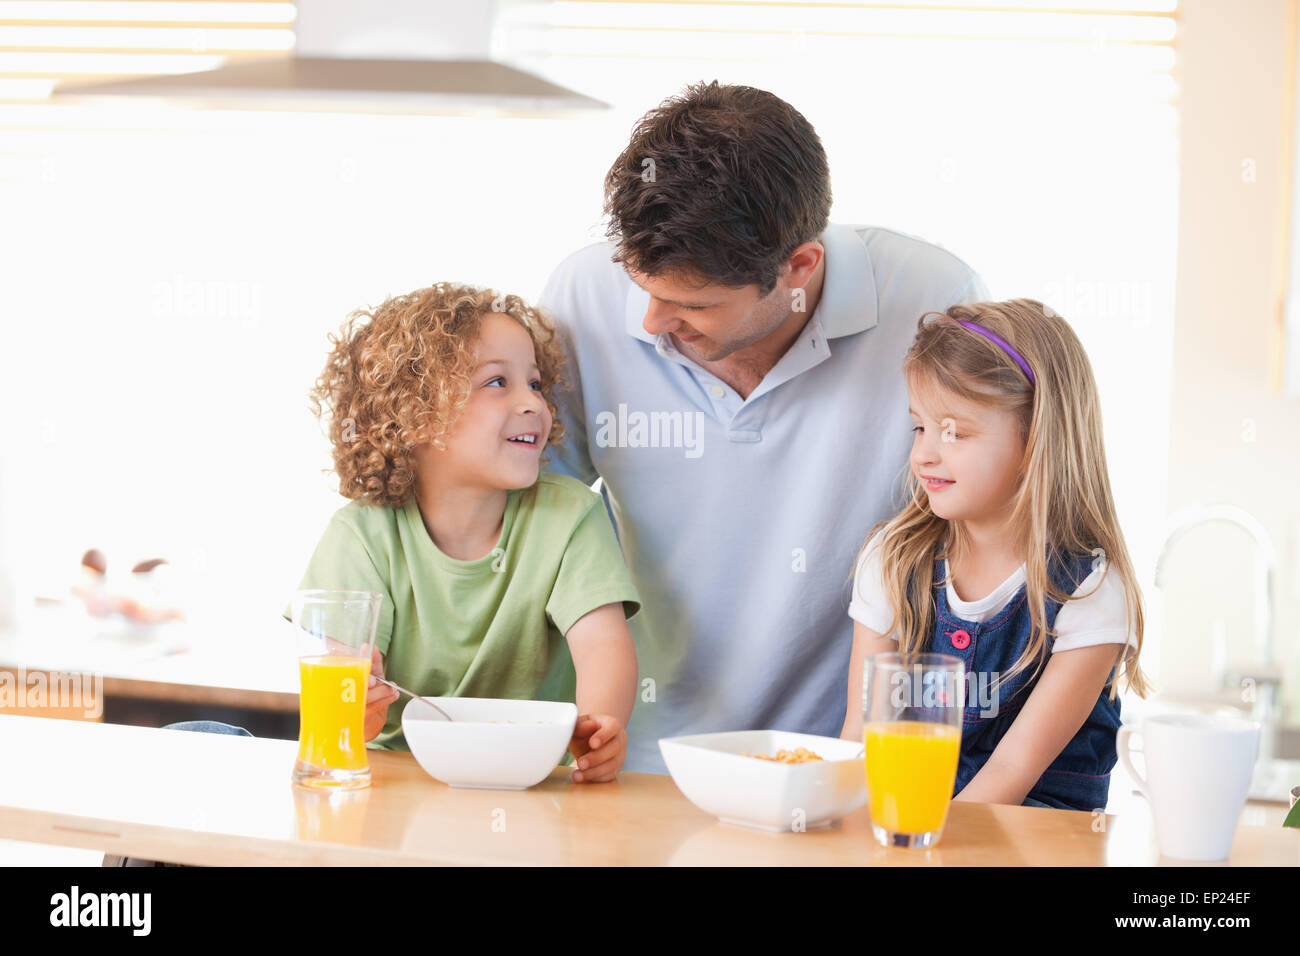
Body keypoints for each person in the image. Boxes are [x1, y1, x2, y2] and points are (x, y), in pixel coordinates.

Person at [537, 80, 989, 773]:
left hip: (840, 766)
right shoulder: (582, 297)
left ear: (799, 267)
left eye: (692, 303)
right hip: (632, 763)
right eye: (642, 287)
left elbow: (986, 536)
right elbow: (530, 523)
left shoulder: (933, 303)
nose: (651, 322)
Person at [294, 282, 640, 780]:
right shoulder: (362, 535)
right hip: (401, 778)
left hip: (535, 781)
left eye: (536, 384)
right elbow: (338, 684)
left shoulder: (570, 517)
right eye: (498, 382)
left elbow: (603, 645)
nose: (533, 404)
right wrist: (357, 714)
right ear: (413, 415)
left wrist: (601, 724)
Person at [840, 299, 1151, 812]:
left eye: (954, 432)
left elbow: (1012, 771)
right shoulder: (892, 560)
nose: (922, 454)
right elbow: (862, 736)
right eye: (919, 426)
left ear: (1035, 441)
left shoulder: (1091, 590)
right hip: (918, 833)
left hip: (1036, 839)